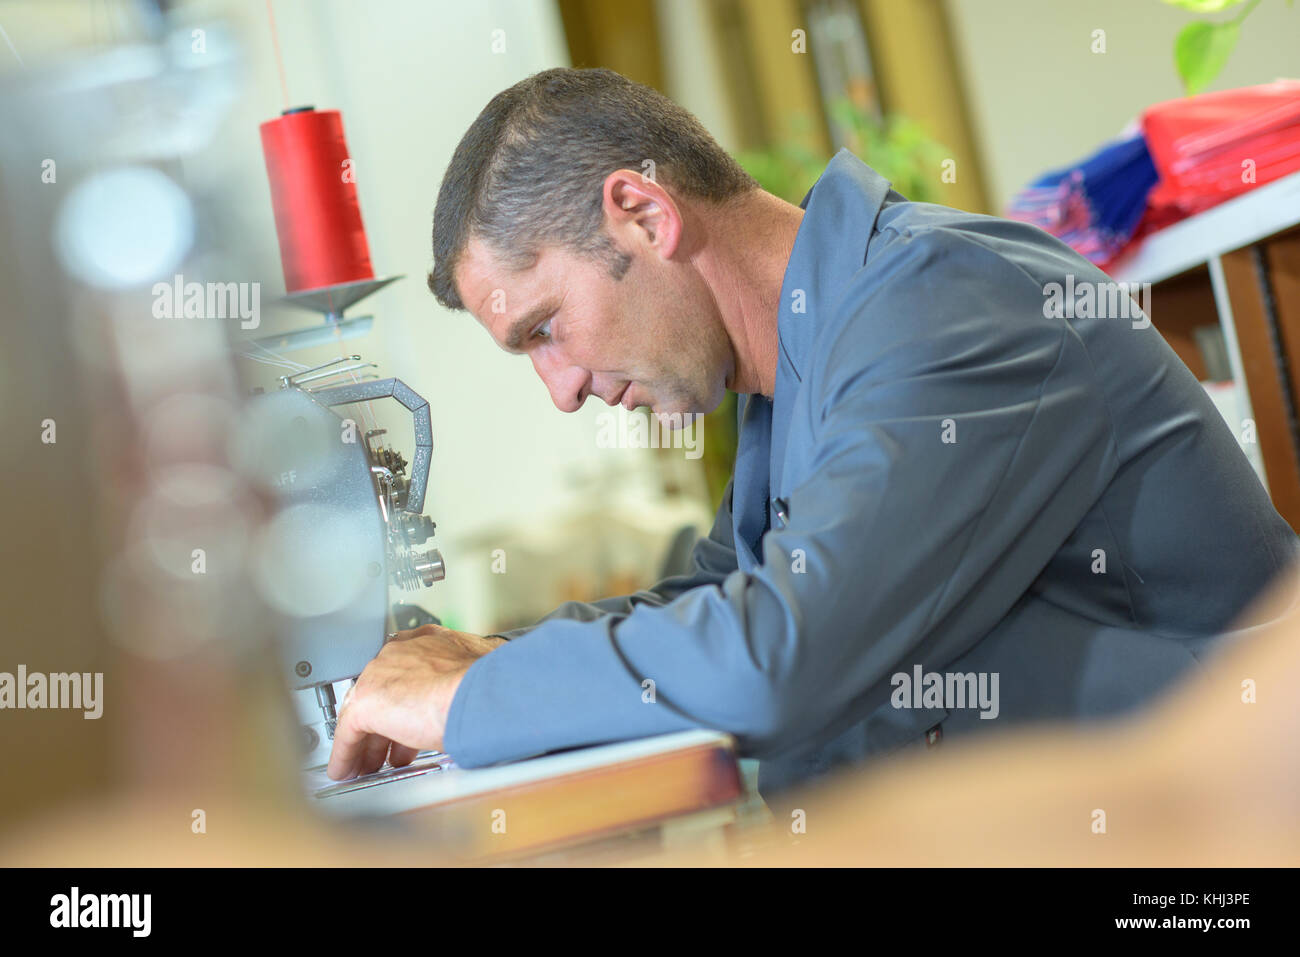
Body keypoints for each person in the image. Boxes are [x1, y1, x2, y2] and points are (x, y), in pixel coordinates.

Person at [326, 68, 1297, 807]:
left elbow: (778, 655)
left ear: (642, 214)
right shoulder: (800, 363)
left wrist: (462, 702)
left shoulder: (942, 304)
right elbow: (721, 600)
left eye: (543, 329)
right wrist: (490, 659)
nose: (563, 390)